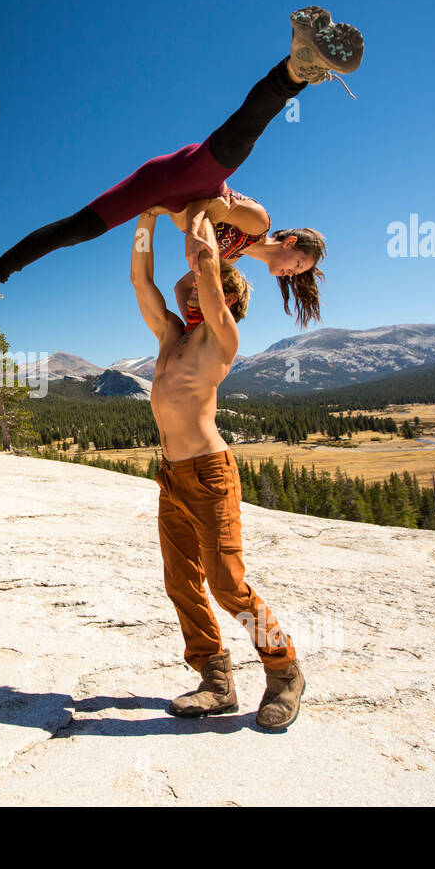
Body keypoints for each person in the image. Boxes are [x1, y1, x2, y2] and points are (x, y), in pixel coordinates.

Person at [0, 5, 361, 332]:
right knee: (243, 134)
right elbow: (206, 207)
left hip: (159, 192)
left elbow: (184, 286)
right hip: (191, 176)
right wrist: (194, 235)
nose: (292, 274)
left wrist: (218, 302)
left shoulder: (232, 262)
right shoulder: (259, 222)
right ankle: (296, 68)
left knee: (79, 229)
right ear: (289, 243)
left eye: (298, 273)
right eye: (299, 264)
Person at [129, 206, 304, 728]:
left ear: (225, 297)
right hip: (172, 477)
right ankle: (215, 680)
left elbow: (205, 266)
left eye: (196, 288)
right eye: (182, 289)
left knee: (228, 584)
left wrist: (202, 210)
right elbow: (141, 280)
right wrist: (146, 215)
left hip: (209, 474)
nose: (184, 293)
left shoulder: (220, 336)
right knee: (181, 582)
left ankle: (284, 669)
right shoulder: (170, 336)